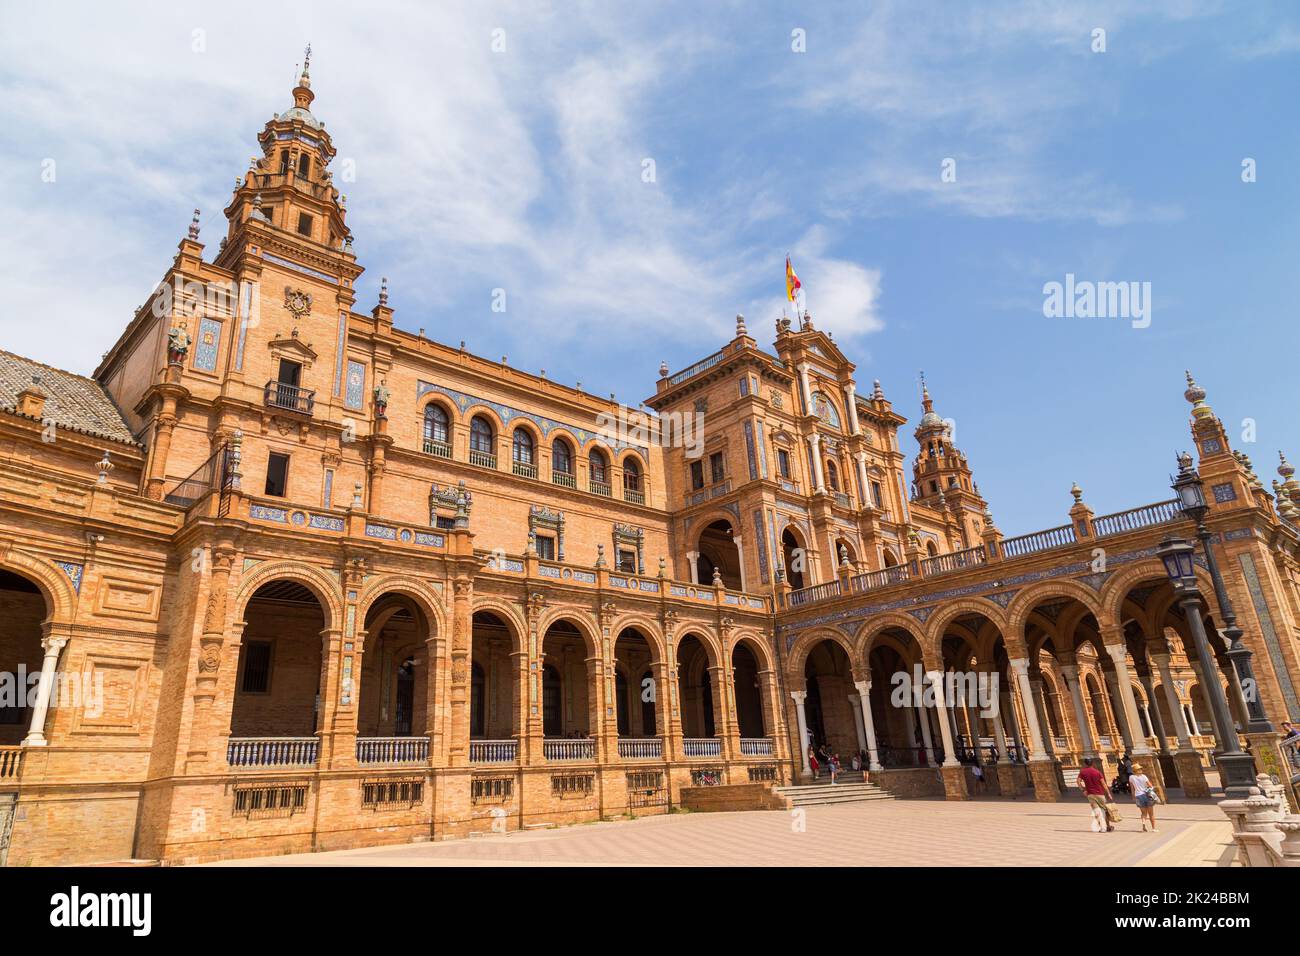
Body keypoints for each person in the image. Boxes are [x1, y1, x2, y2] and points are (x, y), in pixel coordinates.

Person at [1077, 756, 1116, 832]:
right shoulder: (1097, 772)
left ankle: (1102, 828)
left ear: (1085, 764)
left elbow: (1078, 782)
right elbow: (1104, 784)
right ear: (1093, 763)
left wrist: (1083, 790)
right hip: (1100, 794)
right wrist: (1108, 794)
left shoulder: (1082, 772)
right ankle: (1107, 826)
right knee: (1104, 811)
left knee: (1097, 811)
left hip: (1090, 795)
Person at [1129, 762, 1159, 832]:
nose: (1141, 770)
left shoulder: (1131, 777)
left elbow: (1132, 788)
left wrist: (1133, 796)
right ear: (1138, 770)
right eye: (1140, 769)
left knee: (1143, 813)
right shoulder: (1144, 776)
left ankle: (1143, 823)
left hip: (1138, 796)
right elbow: (1150, 786)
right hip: (1146, 795)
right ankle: (1153, 828)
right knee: (1151, 813)